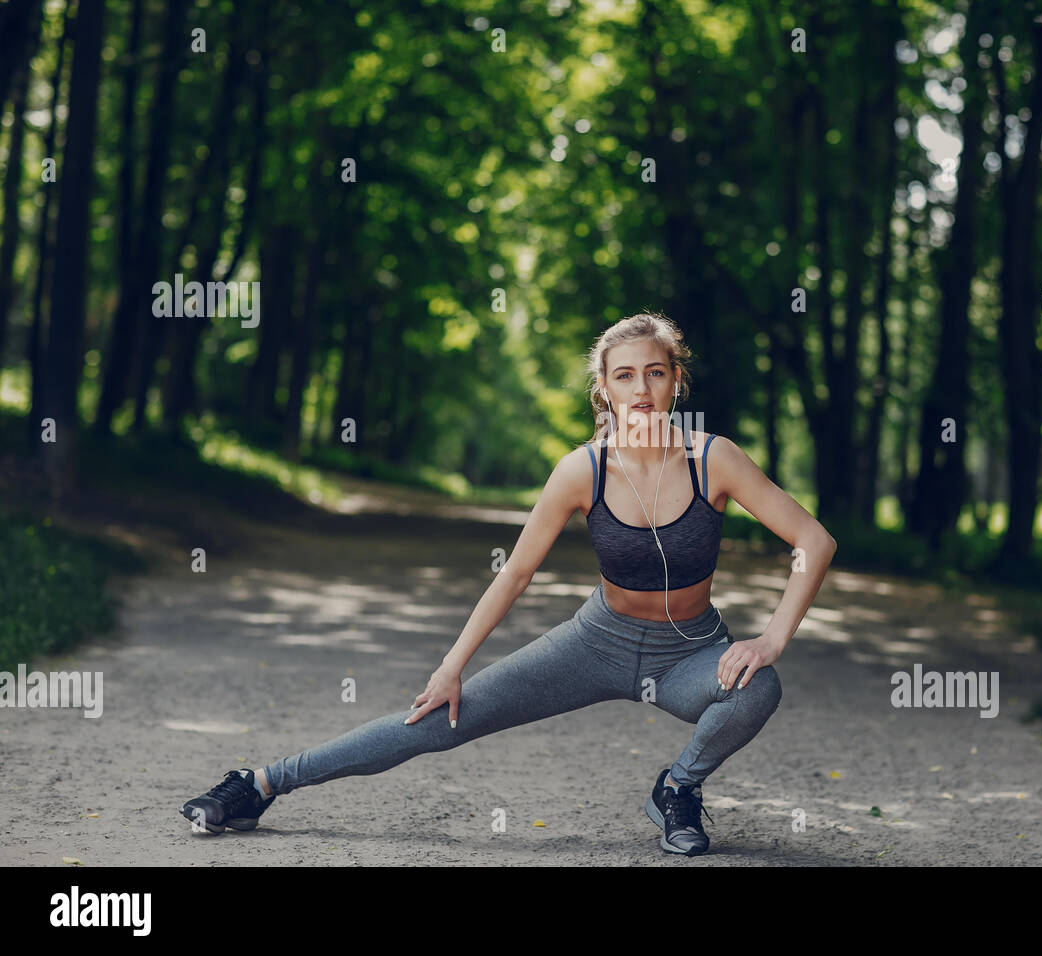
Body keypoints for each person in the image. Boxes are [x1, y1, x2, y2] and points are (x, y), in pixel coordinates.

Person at [180, 312, 837, 856]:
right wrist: (451, 667)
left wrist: (771, 638)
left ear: (676, 381)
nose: (641, 389)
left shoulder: (711, 459)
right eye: (625, 375)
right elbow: (516, 572)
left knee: (757, 689)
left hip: (689, 653)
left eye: (656, 373)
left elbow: (814, 540)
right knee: (434, 722)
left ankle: (678, 789)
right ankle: (259, 784)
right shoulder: (580, 472)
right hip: (597, 642)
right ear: (603, 387)